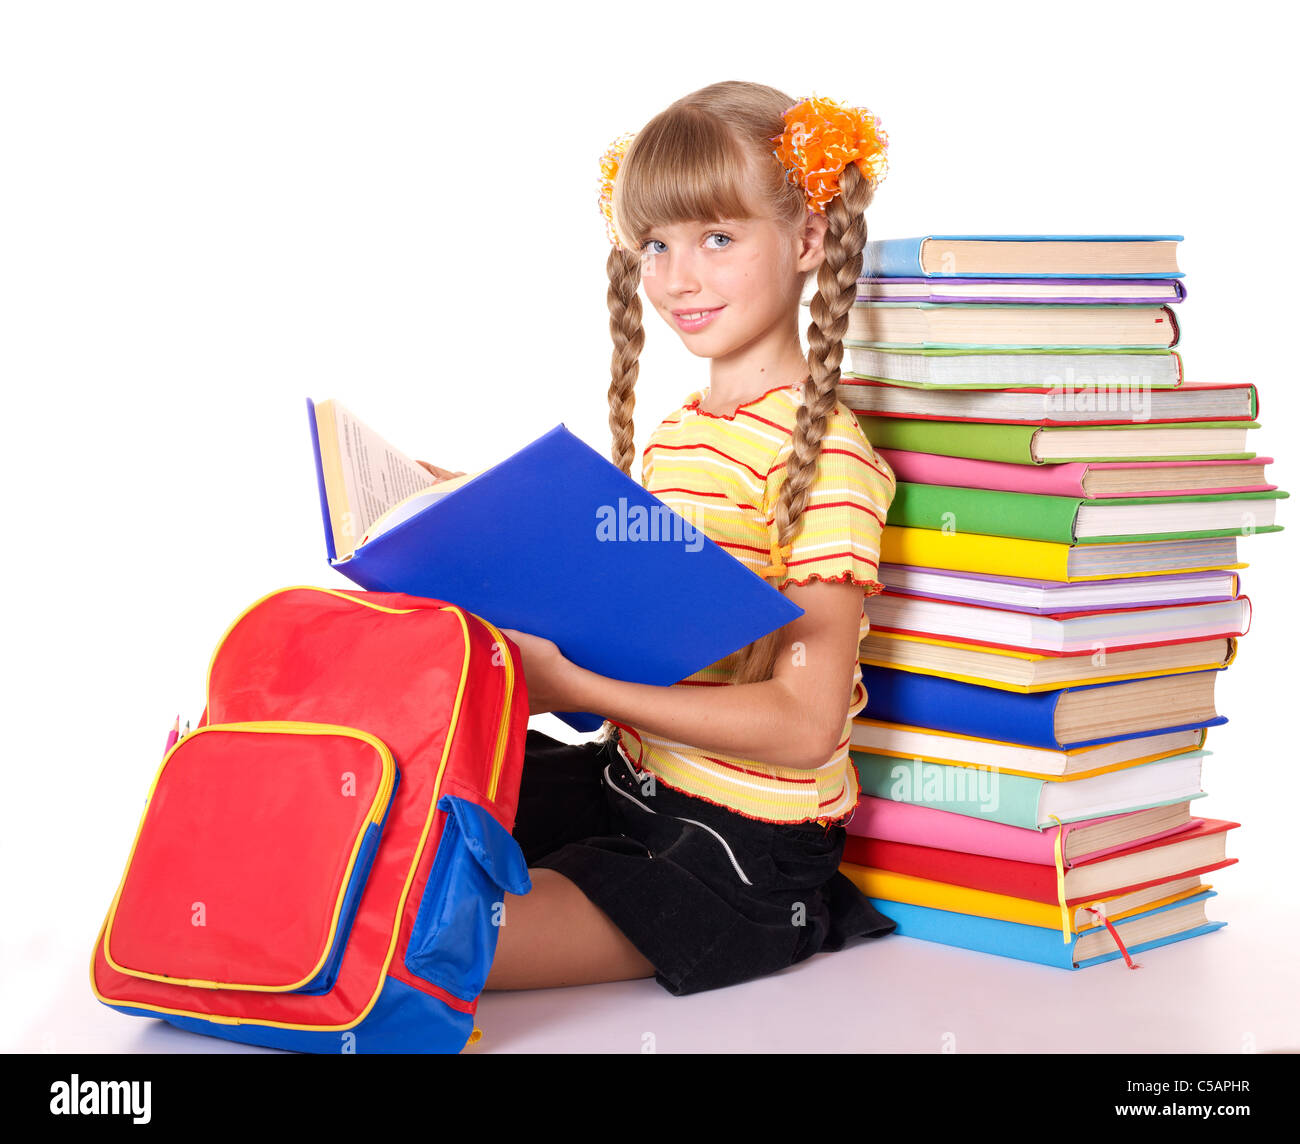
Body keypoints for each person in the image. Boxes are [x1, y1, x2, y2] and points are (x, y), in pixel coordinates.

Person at [419, 81, 898, 997]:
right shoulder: (682, 433)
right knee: (402, 799)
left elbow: (802, 727)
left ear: (805, 240)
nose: (678, 276)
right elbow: (642, 618)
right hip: (632, 784)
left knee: (429, 934)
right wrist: (488, 520)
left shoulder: (827, 458)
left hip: (737, 853)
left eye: (718, 237)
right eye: (658, 243)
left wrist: (579, 685)